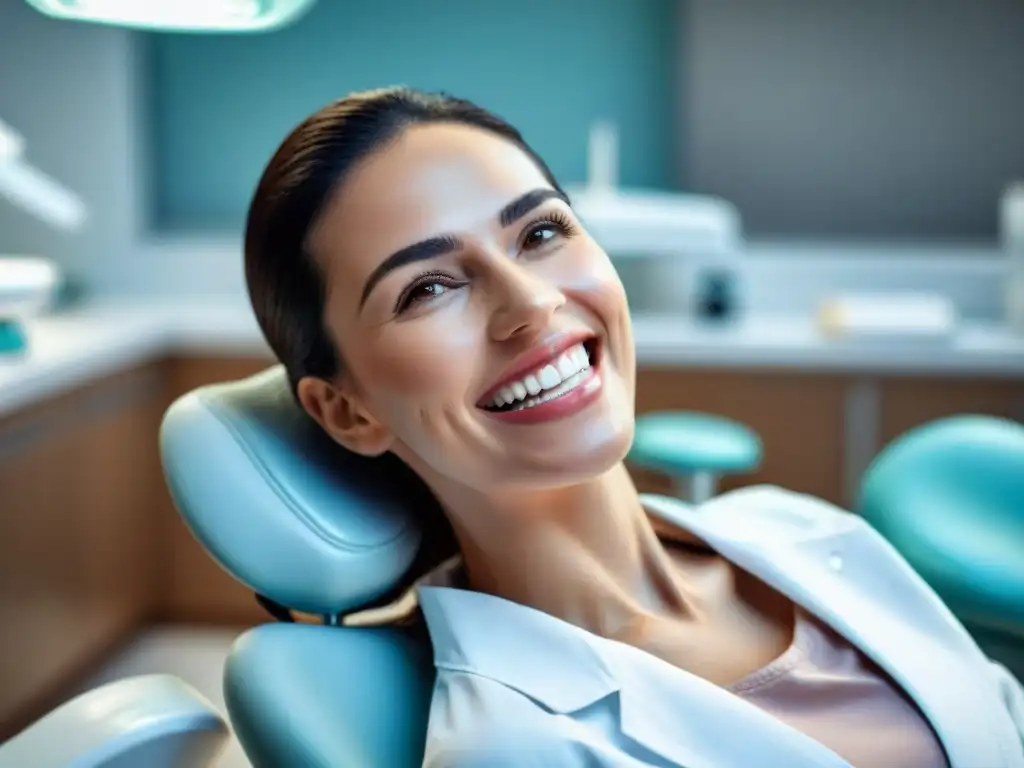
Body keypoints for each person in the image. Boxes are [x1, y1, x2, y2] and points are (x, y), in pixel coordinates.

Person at [244, 87, 1024, 767]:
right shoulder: (522, 749)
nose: (531, 305)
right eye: (429, 287)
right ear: (349, 412)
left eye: (541, 233)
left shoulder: (796, 525)